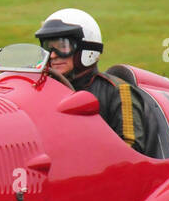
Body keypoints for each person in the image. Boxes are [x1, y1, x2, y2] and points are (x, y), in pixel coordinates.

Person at [36, 8, 146, 153]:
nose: (53, 56)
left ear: (86, 49)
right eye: (48, 48)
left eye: (63, 46)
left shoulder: (118, 91)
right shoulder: (41, 90)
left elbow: (131, 151)